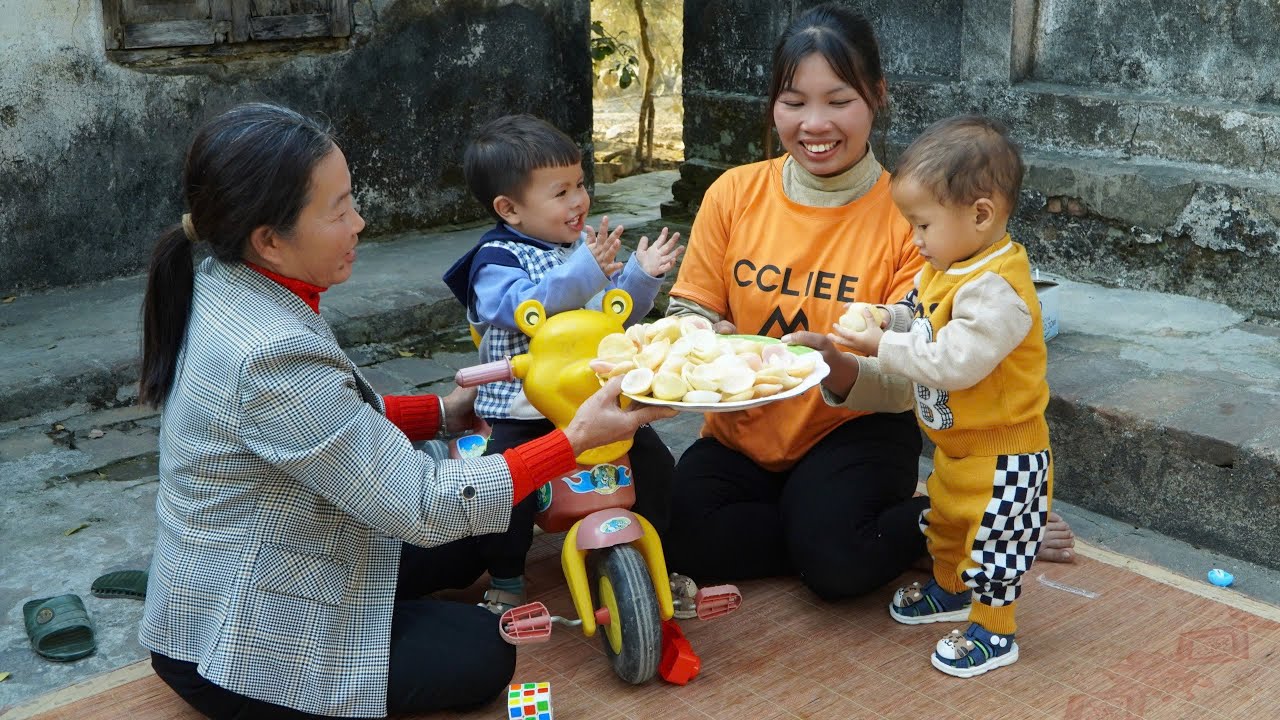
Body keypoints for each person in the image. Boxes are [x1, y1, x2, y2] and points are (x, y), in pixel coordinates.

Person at [136, 103, 674, 719]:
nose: (359, 222)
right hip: (241, 635)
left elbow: (329, 422)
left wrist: (443, 414)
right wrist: (573, 440)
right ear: (269, 240)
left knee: (479, 535)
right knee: (483, 649)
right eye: (339, 210)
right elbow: (421, 506)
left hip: (278, 546)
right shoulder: (269, 350)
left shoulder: (230, 282)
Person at [661, 3, 1073, 608]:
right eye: (794, 102)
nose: (815, 123)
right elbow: (688, 309)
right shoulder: (734, 193)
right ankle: (877, 530)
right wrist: (697, 339)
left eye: (839, 100)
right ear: (773, 103)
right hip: (742, 433)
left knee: (837, 568)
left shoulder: (918, 218)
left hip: (856, 431)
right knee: (677, 538)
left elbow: (915, 375)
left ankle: (962, 523)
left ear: (877, 96)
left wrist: (841, 364)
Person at [797, 115, 1051, 678]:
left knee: (994, 541)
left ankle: (994, 628)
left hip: (1005, 453)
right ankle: (950, 590)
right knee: (947, 522)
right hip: (956, 444)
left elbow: (953, 362)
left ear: (980, 215)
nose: (915, 240)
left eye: (923, 225)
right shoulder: (948, 265)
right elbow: (915, 308)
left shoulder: (997, 290)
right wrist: (885, 314)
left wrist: (881, 345)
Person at [441, 114, 684, 615]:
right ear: (509, 208)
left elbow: (611, 320)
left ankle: (663, 552)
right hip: (523, 404)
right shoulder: (496, 260)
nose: (579, 201)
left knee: (655, 463)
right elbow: (519, 305)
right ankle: (507, 575)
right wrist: (586, 271)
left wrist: (639, 276)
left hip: (589, 395)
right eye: (561, 191)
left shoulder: (577, 251)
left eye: (580, 184)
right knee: (507, 485)